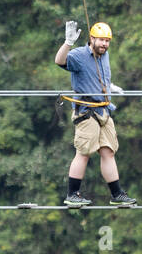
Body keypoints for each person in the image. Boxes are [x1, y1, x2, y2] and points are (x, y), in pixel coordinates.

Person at [55, 20, 135, 207]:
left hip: (104, 110)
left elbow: (100, 76)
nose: (104, 44)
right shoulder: (79, 55)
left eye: (107, 41)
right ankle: (72, 194)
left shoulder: (104, 56)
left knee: (108, 151)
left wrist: (109, 87)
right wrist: (68, 42)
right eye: (100, 40)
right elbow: (59, 61)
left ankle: (117, 194)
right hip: (87, 111)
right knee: (84, 152)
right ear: (91, 39)